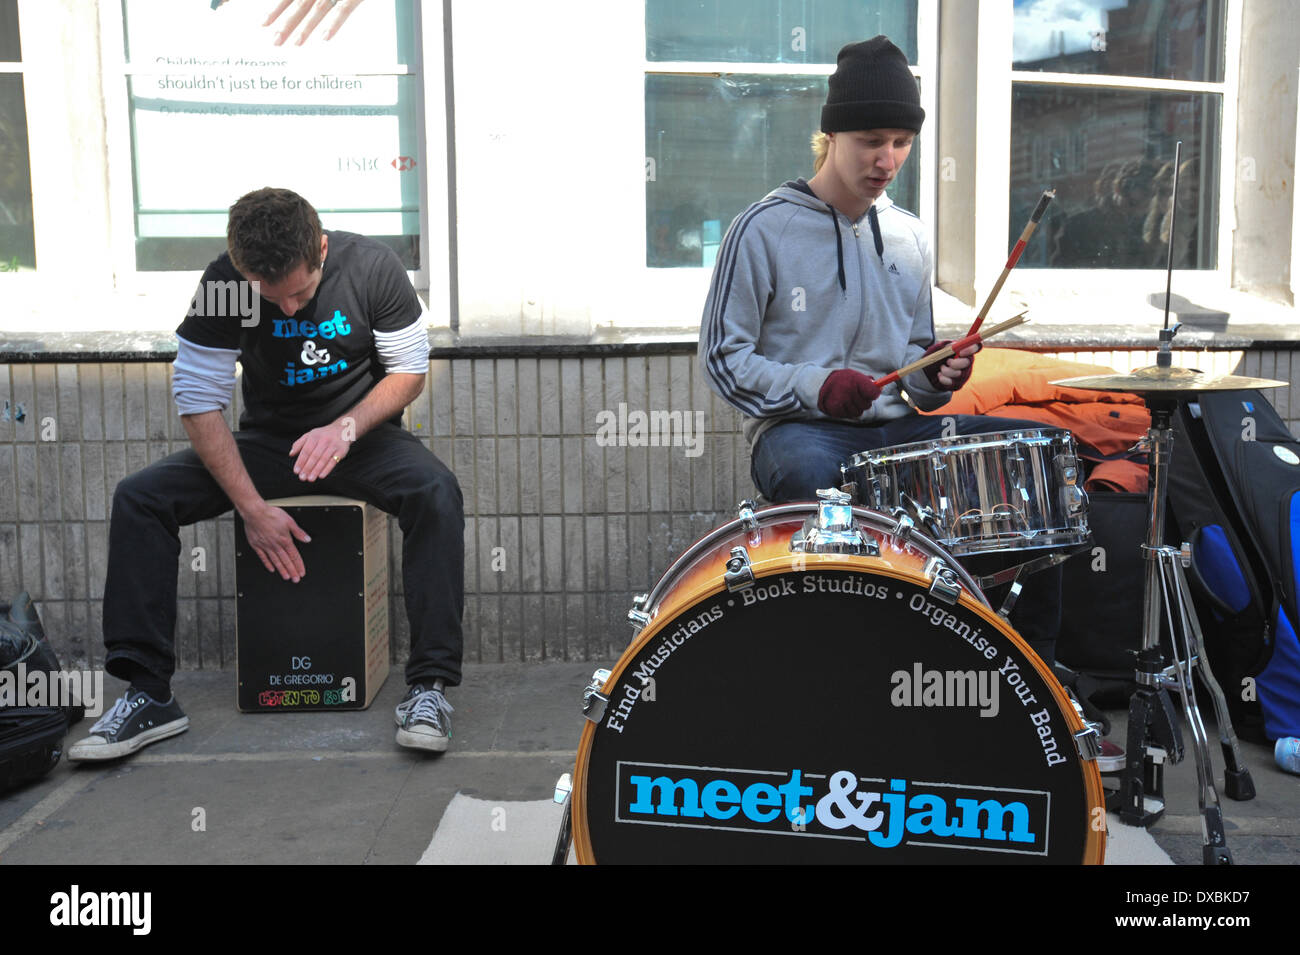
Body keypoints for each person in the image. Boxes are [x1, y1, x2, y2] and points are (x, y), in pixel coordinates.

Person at [698, 36, 1067, 670]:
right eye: (871, 139)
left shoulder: (909, 236)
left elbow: (916, 364)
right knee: (810, 476)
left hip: (897, 429)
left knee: (1033, 463)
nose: (887, 158)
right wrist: (819, 387)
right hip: (800, 434)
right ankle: (852, 674)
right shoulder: (761, 229)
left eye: (900, 141)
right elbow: (724, 359)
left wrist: (940, 372)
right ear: (831, 135)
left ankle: (1038, 688)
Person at [69, 187, 464, 759]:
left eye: (299, 292)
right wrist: (252, 509)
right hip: (268, 443)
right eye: (267, 295)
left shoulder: (373, 268)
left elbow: (408, 370)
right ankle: (149, 696)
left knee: (436, 491)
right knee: (141, 497)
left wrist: (345, 429)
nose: (286, 308)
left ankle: (429, 689)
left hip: (362, 439)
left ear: (321, 249)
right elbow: (199, 400)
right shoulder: (226, 284)